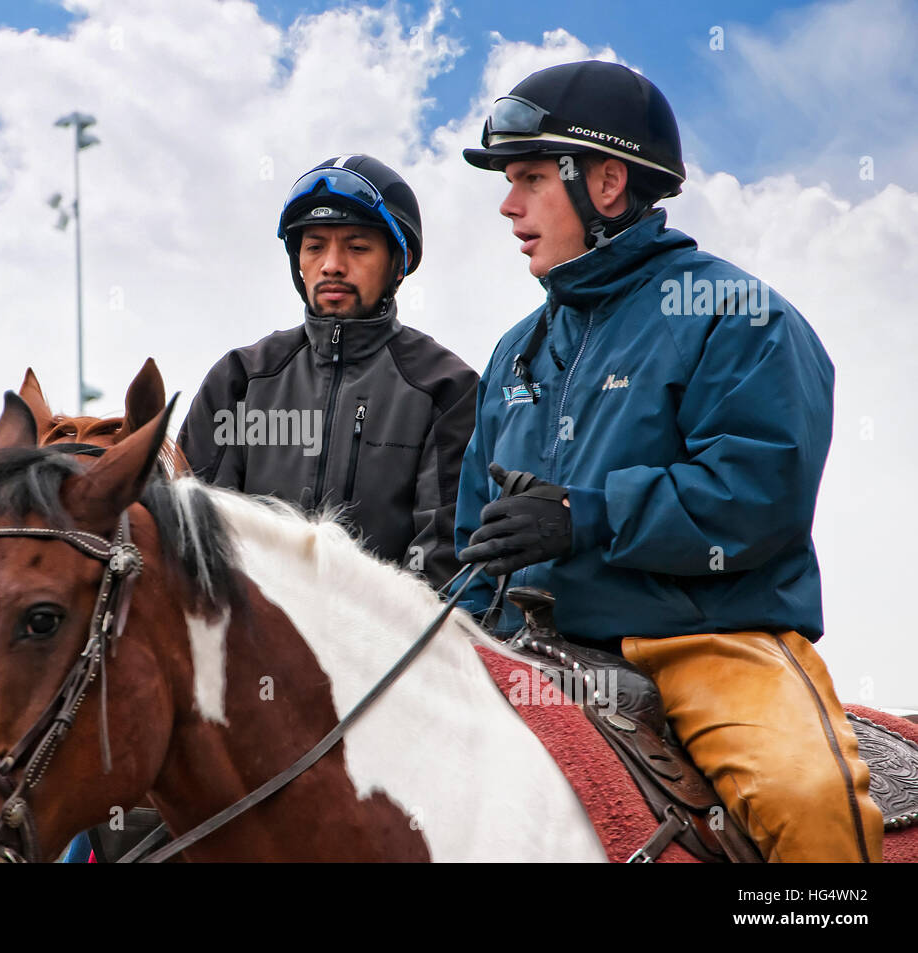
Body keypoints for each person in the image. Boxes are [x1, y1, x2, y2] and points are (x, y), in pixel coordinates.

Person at [454, 60, 882, 862]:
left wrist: (589, 514)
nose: (508, 206)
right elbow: (476, 534)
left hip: (704, 639)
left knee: (808, 800)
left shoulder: (739, 314)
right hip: (519, 645)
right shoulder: (515, 352)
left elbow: (760, 495)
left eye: (531, 178)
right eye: (509, 183)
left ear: (607, 184)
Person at [178, 155, 477, 588]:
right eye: (315, 246)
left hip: (387, 645)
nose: (332, 265)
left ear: (398, 261)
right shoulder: (240, 380)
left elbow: (443, 562)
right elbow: (193, 538)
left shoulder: (446, 388)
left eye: (357, 247)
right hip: (251, 640)